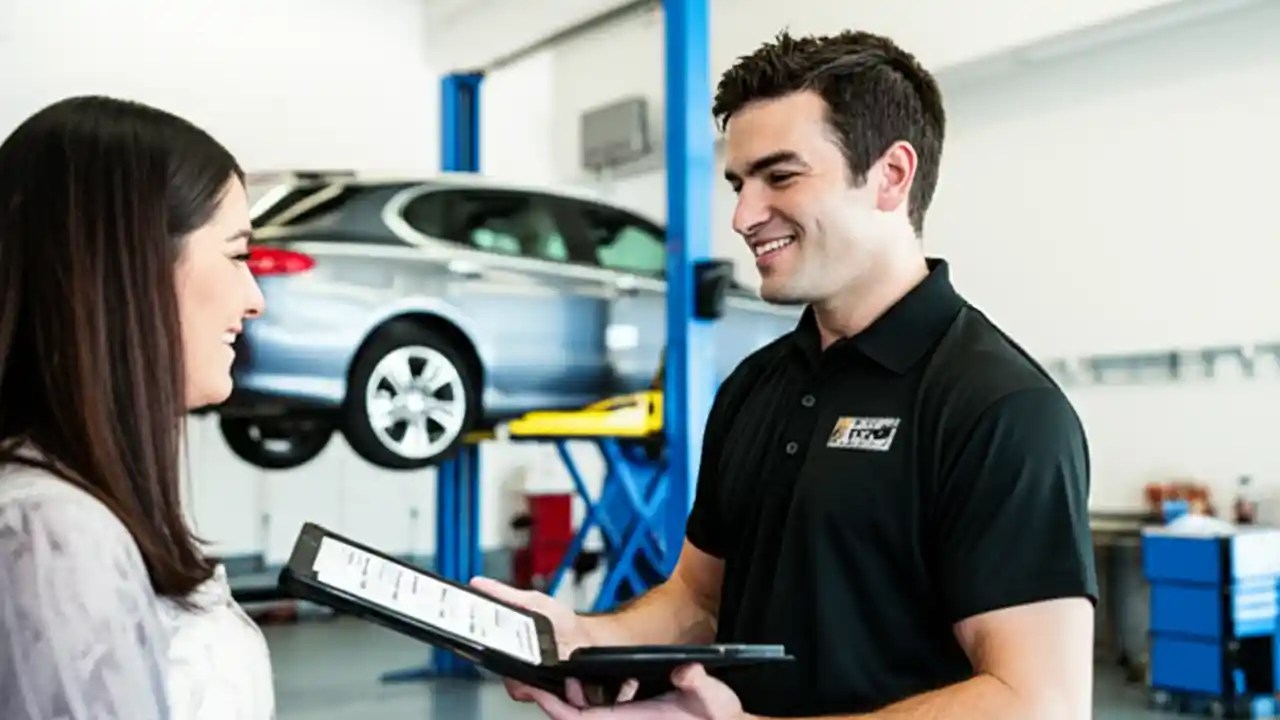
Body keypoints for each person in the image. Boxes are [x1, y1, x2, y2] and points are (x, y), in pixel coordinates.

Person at [472, 28, 1097, 720]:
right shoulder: (753, 387)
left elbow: (1038, 702)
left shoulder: (997, 408)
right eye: (739, 183)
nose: (742, 216)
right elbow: (697, 599)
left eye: (781, 176)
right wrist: (585, 639)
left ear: (891, 175)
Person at [0, 96, 272, 719]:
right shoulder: (51, 541)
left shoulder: (76, 513)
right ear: (135, 268)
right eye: (236, 254)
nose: (253, 298)